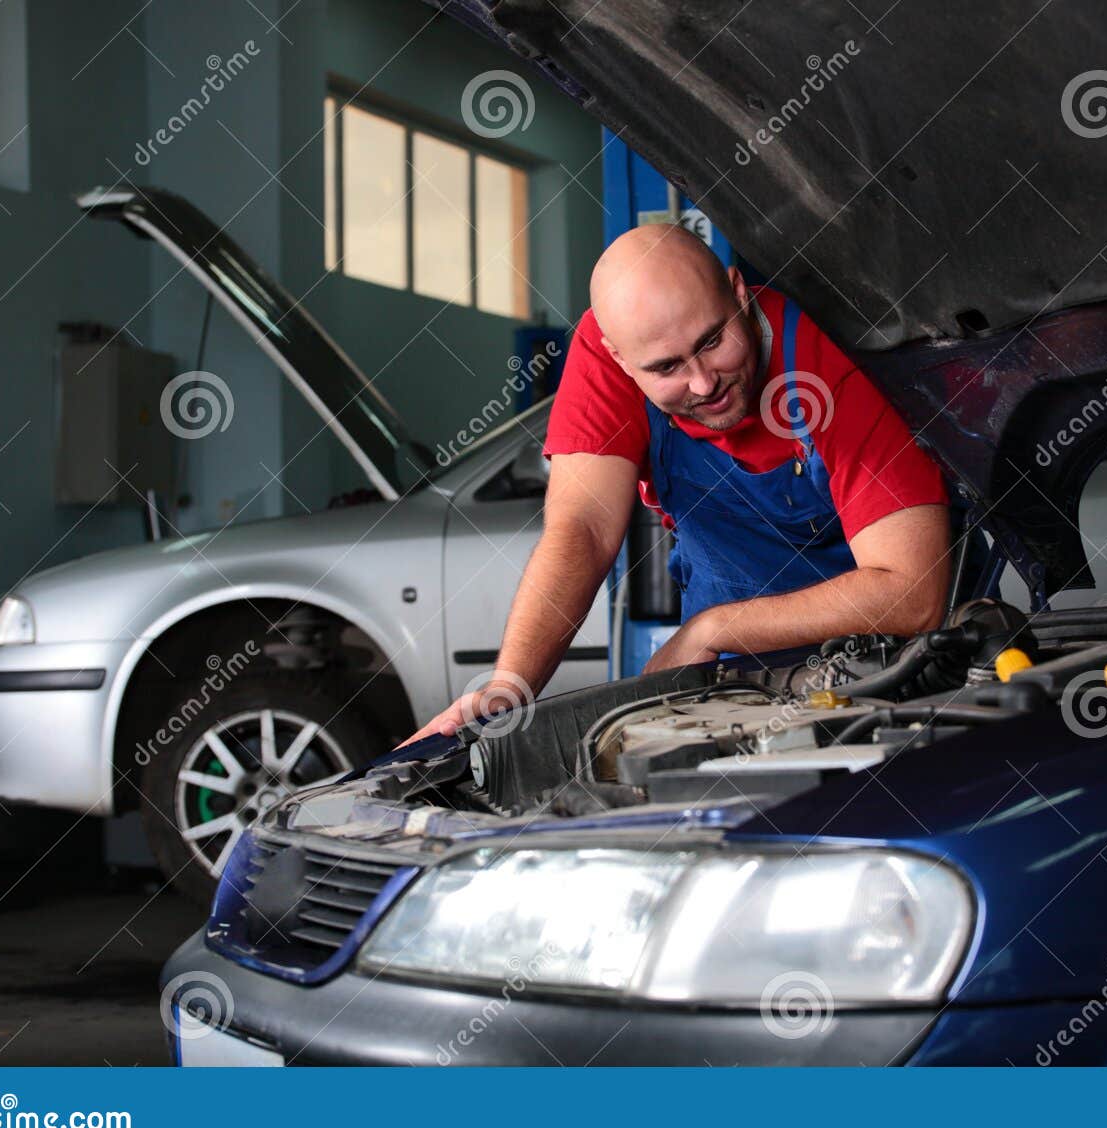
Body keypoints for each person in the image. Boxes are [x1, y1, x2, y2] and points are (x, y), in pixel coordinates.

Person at [406, 223, 950, 741]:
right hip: (722, 690)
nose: (703, 382)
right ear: (620, 359)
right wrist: (509, 688)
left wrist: (710, 631)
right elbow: (584, 530)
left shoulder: (824, 360)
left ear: (738, 293)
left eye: (713, 341)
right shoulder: (612, 348)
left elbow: (911, 591)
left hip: (886, 675)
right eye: (666, 369)